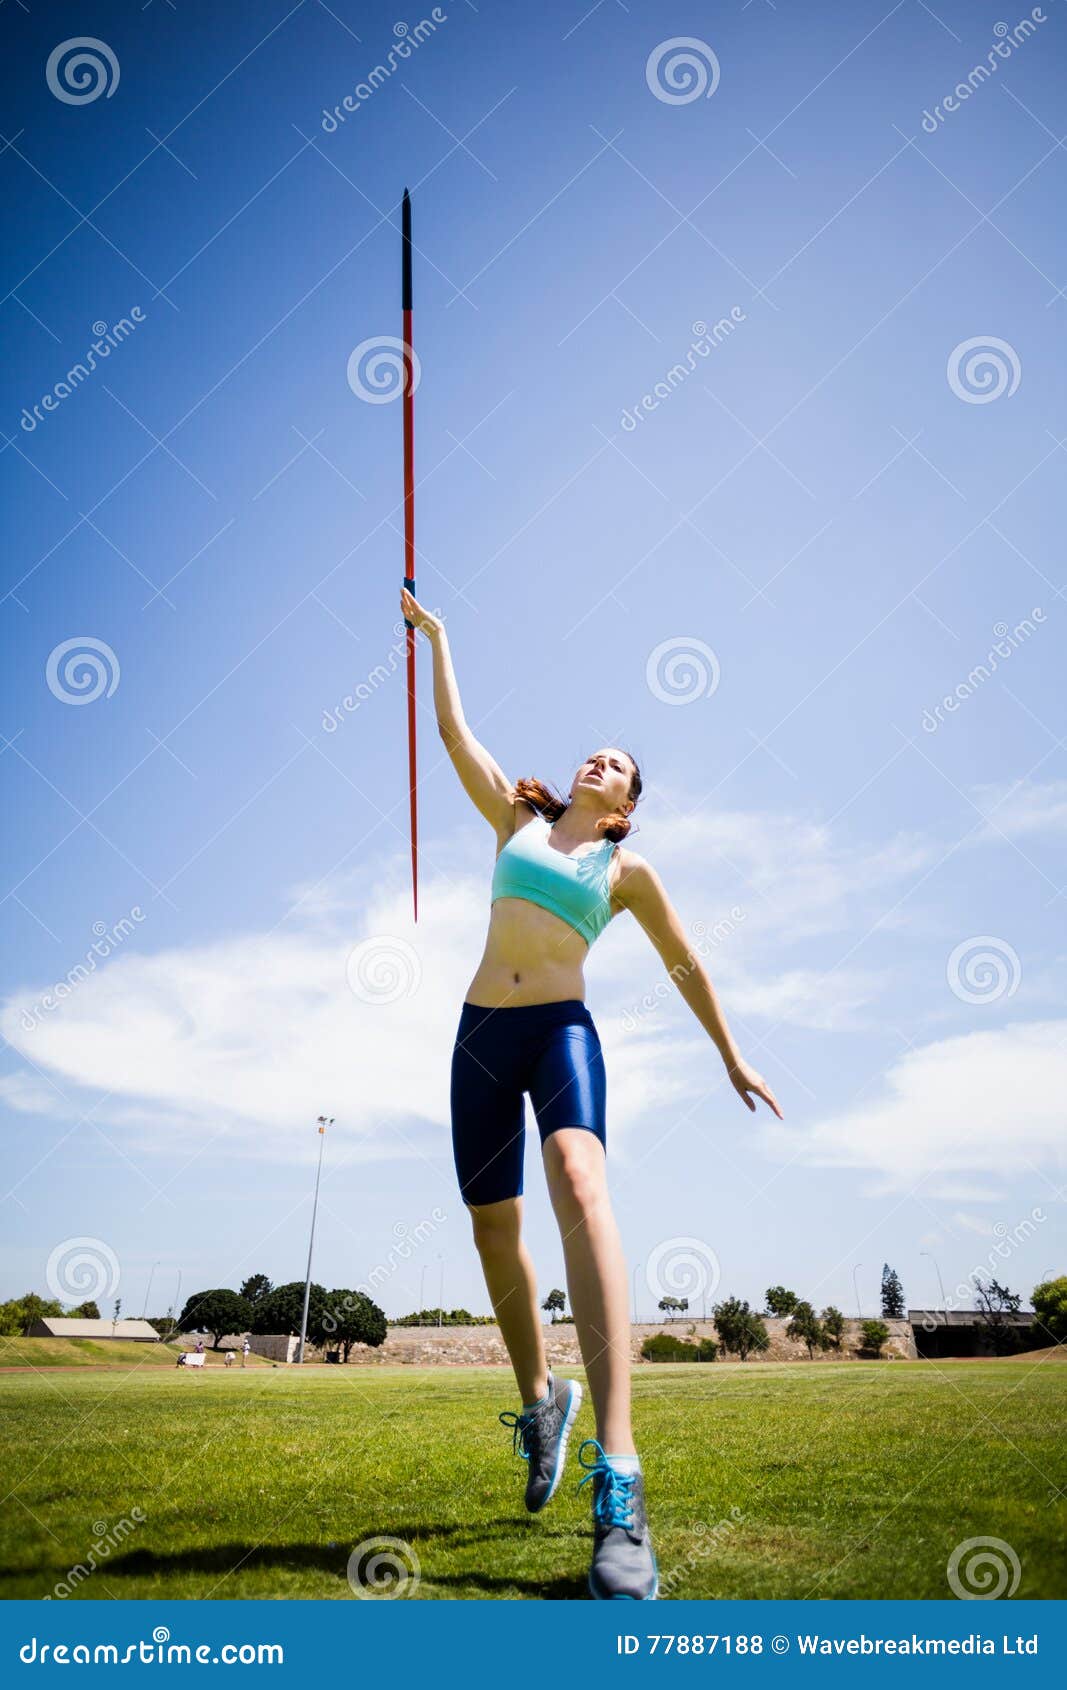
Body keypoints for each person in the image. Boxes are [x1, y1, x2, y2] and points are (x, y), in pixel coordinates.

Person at [401, 589, 783, 1601]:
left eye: (615, 763)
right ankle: (540, 1403)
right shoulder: (512, 821)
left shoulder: (627, 867)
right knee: (492, 1230)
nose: (594, 761)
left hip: (561, 1032)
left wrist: (730, 1055)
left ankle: (618, 1474)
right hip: (481, 1033)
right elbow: (450, 727)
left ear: (625, 801)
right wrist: (438, 637)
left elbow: (686, 964)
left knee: (578, 1173)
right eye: (591, 752)